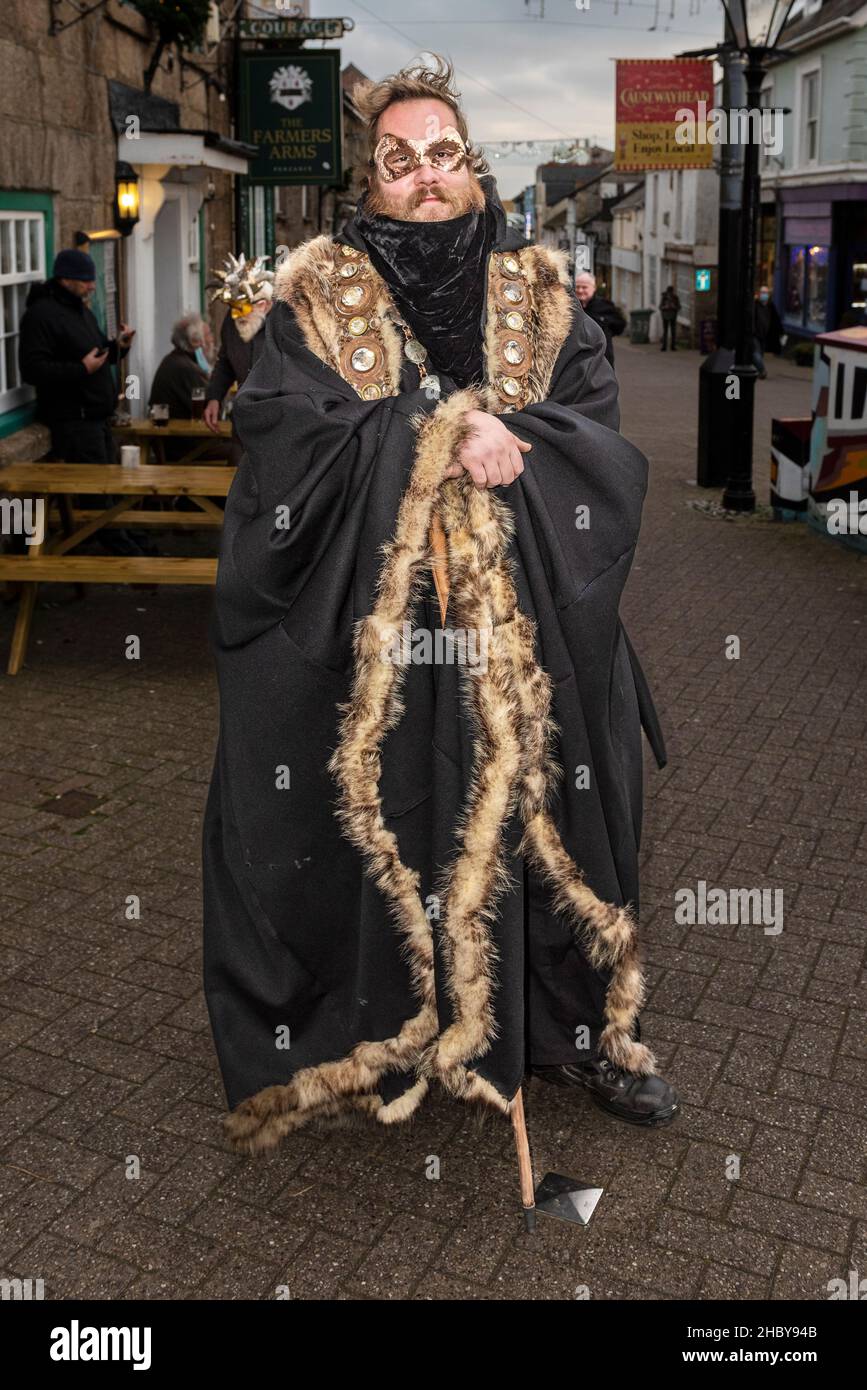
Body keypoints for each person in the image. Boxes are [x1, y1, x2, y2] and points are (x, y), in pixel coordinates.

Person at [202, 56, 678, 1159]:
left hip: (537, 621)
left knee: (570, 803)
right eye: (399, 160)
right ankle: (385, 1024)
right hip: (379, 634)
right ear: (370, 182)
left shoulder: (546, 296)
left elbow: (597, 436)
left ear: (475, 169)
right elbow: (282, 437)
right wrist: (429, 435)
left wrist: (512, 446)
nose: (425, 178)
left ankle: (584, 1033)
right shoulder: (314, 302)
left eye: (444, 156)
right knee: (379, 813)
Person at [18, 247, 153, 557]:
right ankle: (123, 551)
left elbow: (96, 354)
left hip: (97, 415)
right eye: (86, 280)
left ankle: (130, 538)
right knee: (97, 492)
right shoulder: (40, 316)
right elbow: (32, 369)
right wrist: (81, 369)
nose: (93, 285)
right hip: (73, 420)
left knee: (112, 486)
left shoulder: (80, 309)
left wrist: (119, 346)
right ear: (66, 279)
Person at [204, 254, 274, 466]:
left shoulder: (288, 324)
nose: (236, 316)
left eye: (242, 308)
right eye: (233, 308)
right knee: (236, 490)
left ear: (264, 305)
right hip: (243, 427)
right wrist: (214, 396)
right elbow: (226, 359)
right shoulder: (234, 319)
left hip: (279, 428)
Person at [148, 313, 211, 421]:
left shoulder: (174, 359)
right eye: (207, 336)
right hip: (176, 433)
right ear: (194, 342)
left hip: (167, 429)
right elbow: (209, 408)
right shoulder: (186, 368)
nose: (210, 341)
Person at [575, 271, 626, 367]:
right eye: (577, 287)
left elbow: (620, 326)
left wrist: (606, 330)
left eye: (584, 287)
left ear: (593, 288)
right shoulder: (570, 308)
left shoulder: (605, 306)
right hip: (577, 363)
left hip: (602, 361)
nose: (580, 290)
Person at [752, 285, 782, 379]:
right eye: (762, 293)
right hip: (755, 334)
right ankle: (762, 370)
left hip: (764, 335)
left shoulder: (770, 306)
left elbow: (775, 320)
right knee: (756, 352)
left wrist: (780, 332)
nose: (764, 295)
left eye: (766, 293)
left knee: (760, 354)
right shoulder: (755, 305)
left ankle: (757, 370)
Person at [659, 285, 680, 351]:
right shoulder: (664, 297)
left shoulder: (675, 297)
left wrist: (674, 307)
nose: (670, 294)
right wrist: (665, 307)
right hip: (665, 316)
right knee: (665, 331)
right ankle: (664, 346)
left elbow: (679, 307)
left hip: (673, 315)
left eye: (671, 293)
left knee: (673, 331)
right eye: (669, 293)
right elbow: (660, 307)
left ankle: (672, 346)